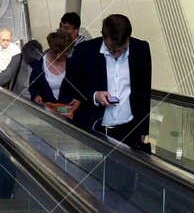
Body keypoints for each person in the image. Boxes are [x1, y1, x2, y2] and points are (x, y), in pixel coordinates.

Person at [68, 12, 152, 146]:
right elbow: (73, 86)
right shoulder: (84, 51)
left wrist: (143, 131)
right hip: (95, 130)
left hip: (129, 132)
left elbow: (144, 91)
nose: (117, 54)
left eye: (123, 49)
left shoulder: (141, 49)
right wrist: (95, 96)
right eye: (112, 50)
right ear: (103, 36)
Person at [30, 30, 91, 119]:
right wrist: (36, 95)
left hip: (67, 111)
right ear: (50, 47)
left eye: (62, 53)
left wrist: (78, 100)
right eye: (55, 52)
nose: (58, 56)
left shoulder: (73, 63)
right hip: (45, 112)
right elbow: (33, 86)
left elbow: (82, 86)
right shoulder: (39, 63)